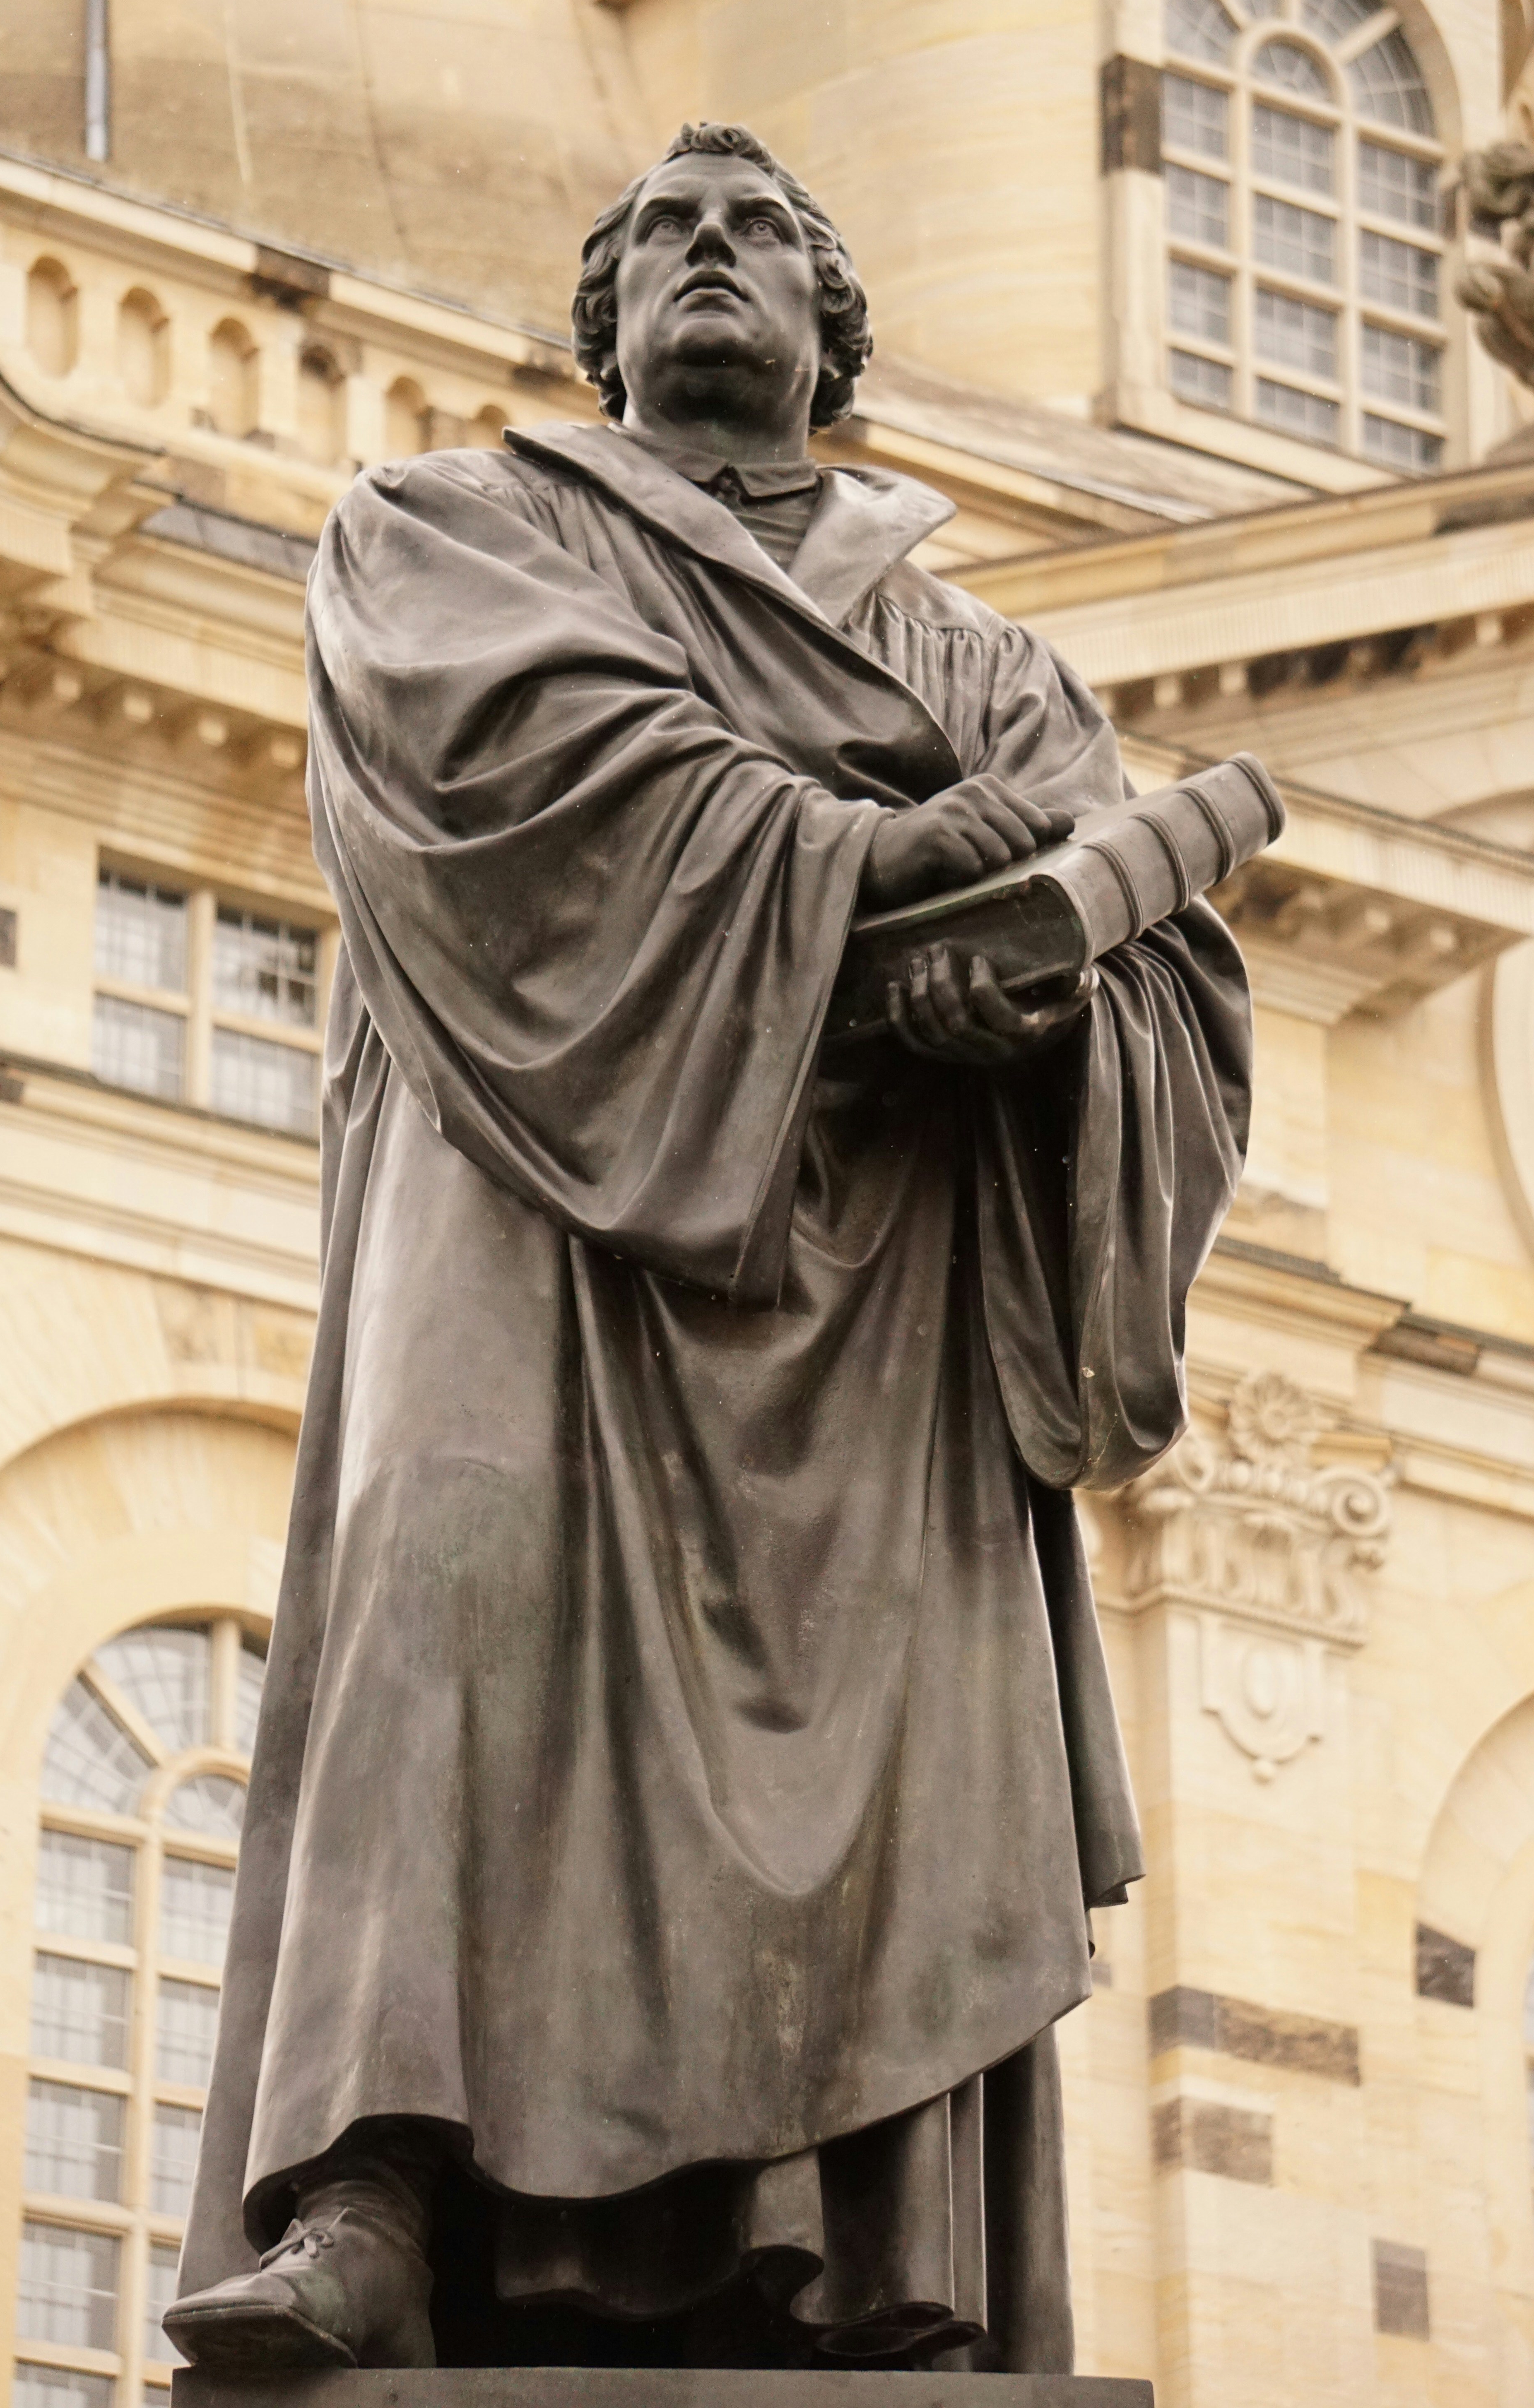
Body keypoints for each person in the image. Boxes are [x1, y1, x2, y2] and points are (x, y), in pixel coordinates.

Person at [165, 121, 1251, 2375]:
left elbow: (1157, 970)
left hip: (879, 1287)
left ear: (831, 332)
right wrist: (870, 856)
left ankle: (877, 2269)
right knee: (445, 1583)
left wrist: (1047, 1004)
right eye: (665, 233)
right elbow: (515, 764)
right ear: (608, 321)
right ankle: (373, 2192)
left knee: (893, 1710)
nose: (710, 254)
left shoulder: (985, 653)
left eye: (761, 233)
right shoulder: (449, 526)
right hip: (533, 1197)